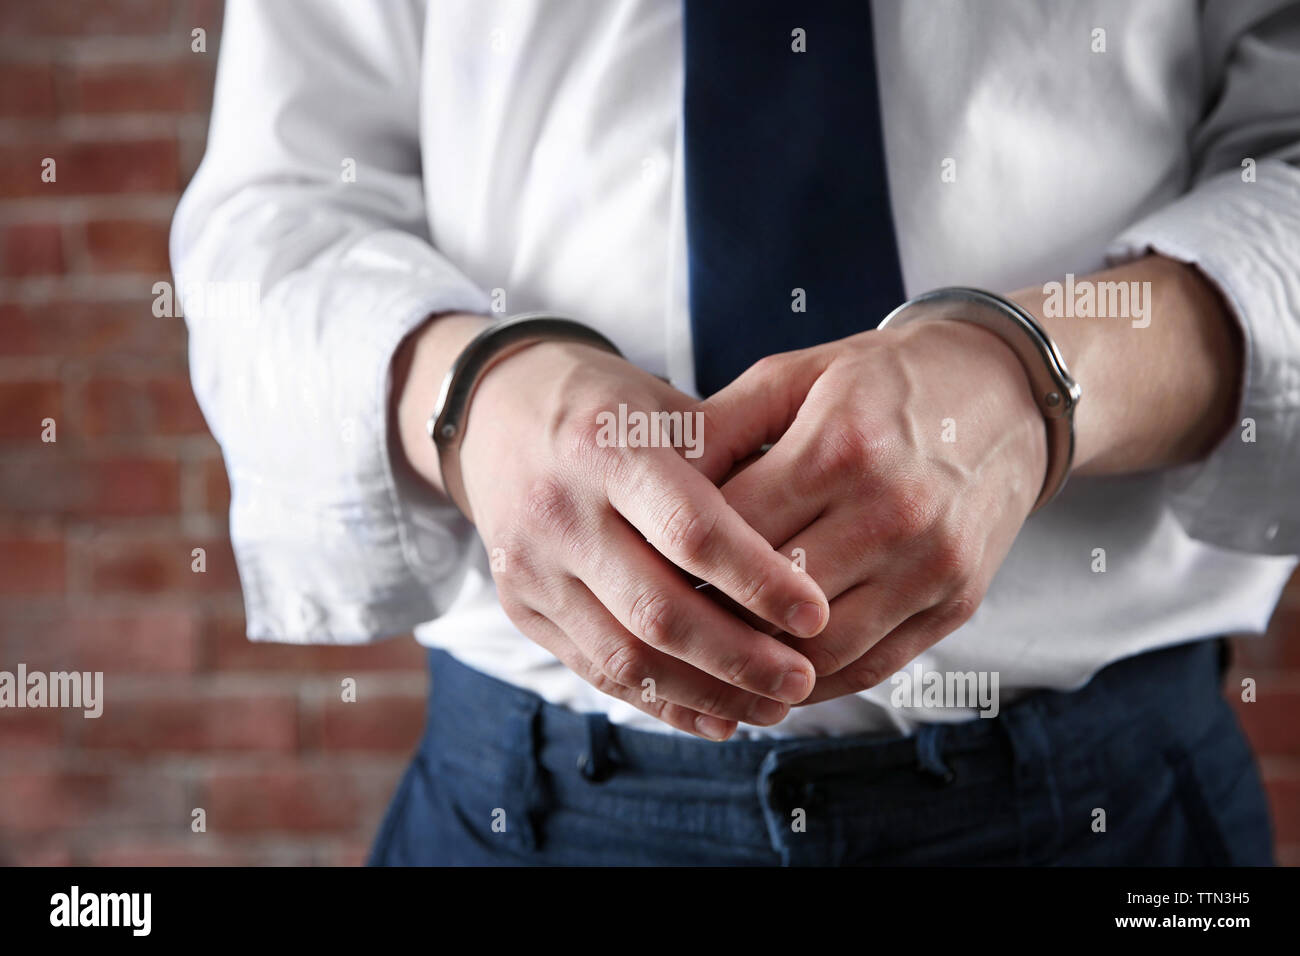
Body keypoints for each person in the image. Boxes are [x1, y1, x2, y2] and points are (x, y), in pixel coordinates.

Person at [172, 0, 1300, 865]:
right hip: (527, 802)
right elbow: (282, 210)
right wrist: (474, 394)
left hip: (1111, 807)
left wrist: (1035, 382)